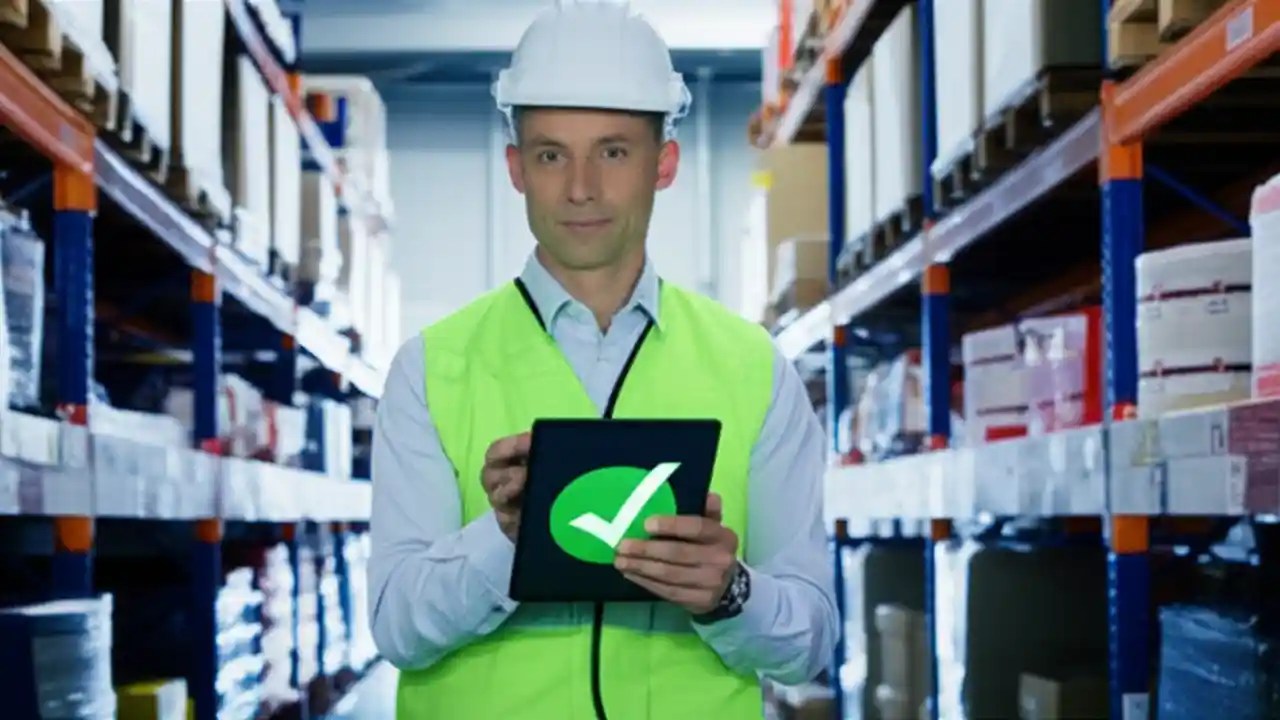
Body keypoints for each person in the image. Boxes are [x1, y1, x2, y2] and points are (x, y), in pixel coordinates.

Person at [369, 2, 838, 717]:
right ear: (516, 167)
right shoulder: (432, 369)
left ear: (666, 163)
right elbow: (396, 626)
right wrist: (503, 540)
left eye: (613, 151)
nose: (581, 186)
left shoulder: (753, 369)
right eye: (552, 154)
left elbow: (809, 640)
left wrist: (729, 592)